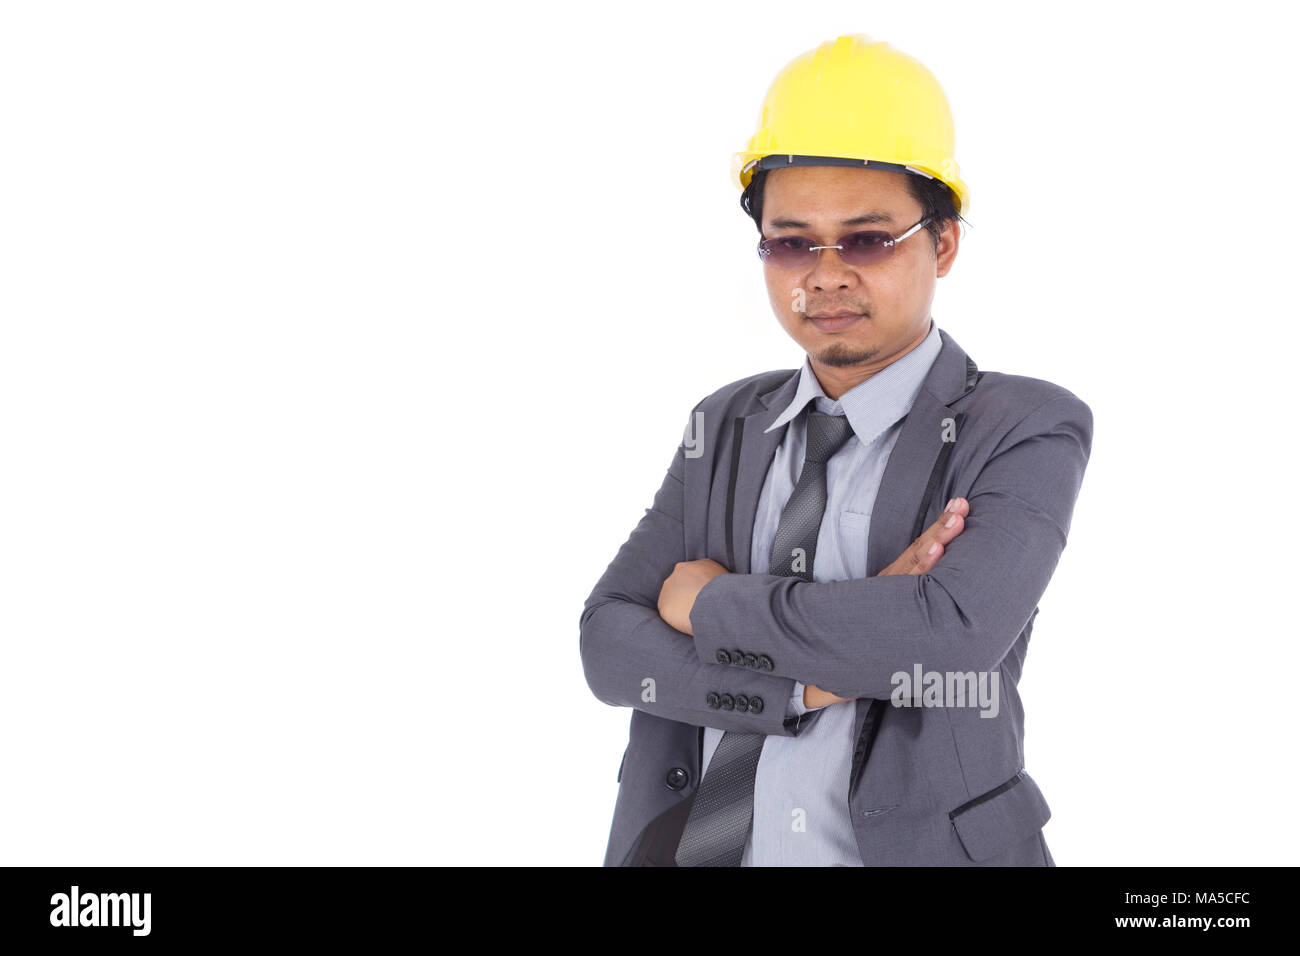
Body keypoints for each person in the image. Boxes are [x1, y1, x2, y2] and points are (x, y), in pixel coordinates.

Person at [579, 33, 1093, 866]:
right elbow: (608, 645)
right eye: (792, 243)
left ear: (944, 243)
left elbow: (950, 637)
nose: (823, 276)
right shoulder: (726, 421)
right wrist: (810, 680)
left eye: (866, 240)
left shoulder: (1023, 424)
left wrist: (710, 608)